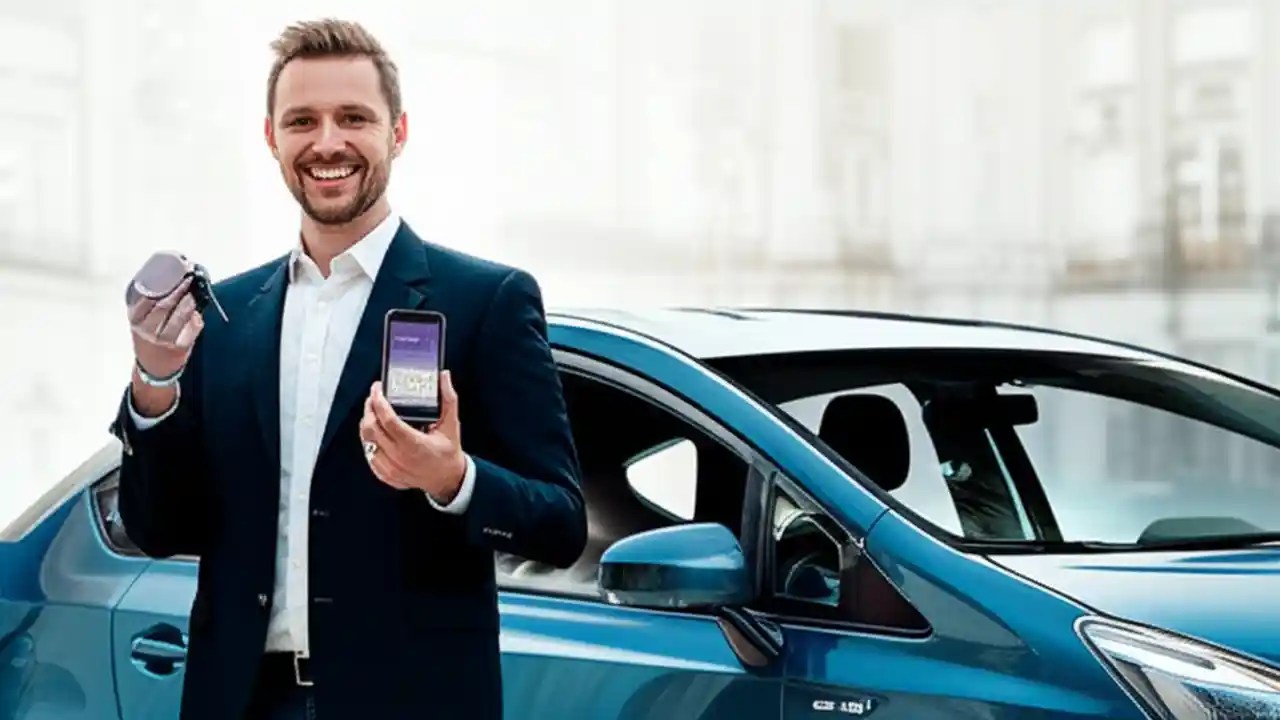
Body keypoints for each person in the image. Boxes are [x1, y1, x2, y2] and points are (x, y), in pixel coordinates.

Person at [109, 17, 587, 720]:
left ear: (397, 132)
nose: (327, 142)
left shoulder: (485, 301)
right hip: (244, 701)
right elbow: (157, 528)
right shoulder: (227, 316)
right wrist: (155, 385)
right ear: (272, 138)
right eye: (302, 120)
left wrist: (451, 480)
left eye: (353, 118)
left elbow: (562, 523)